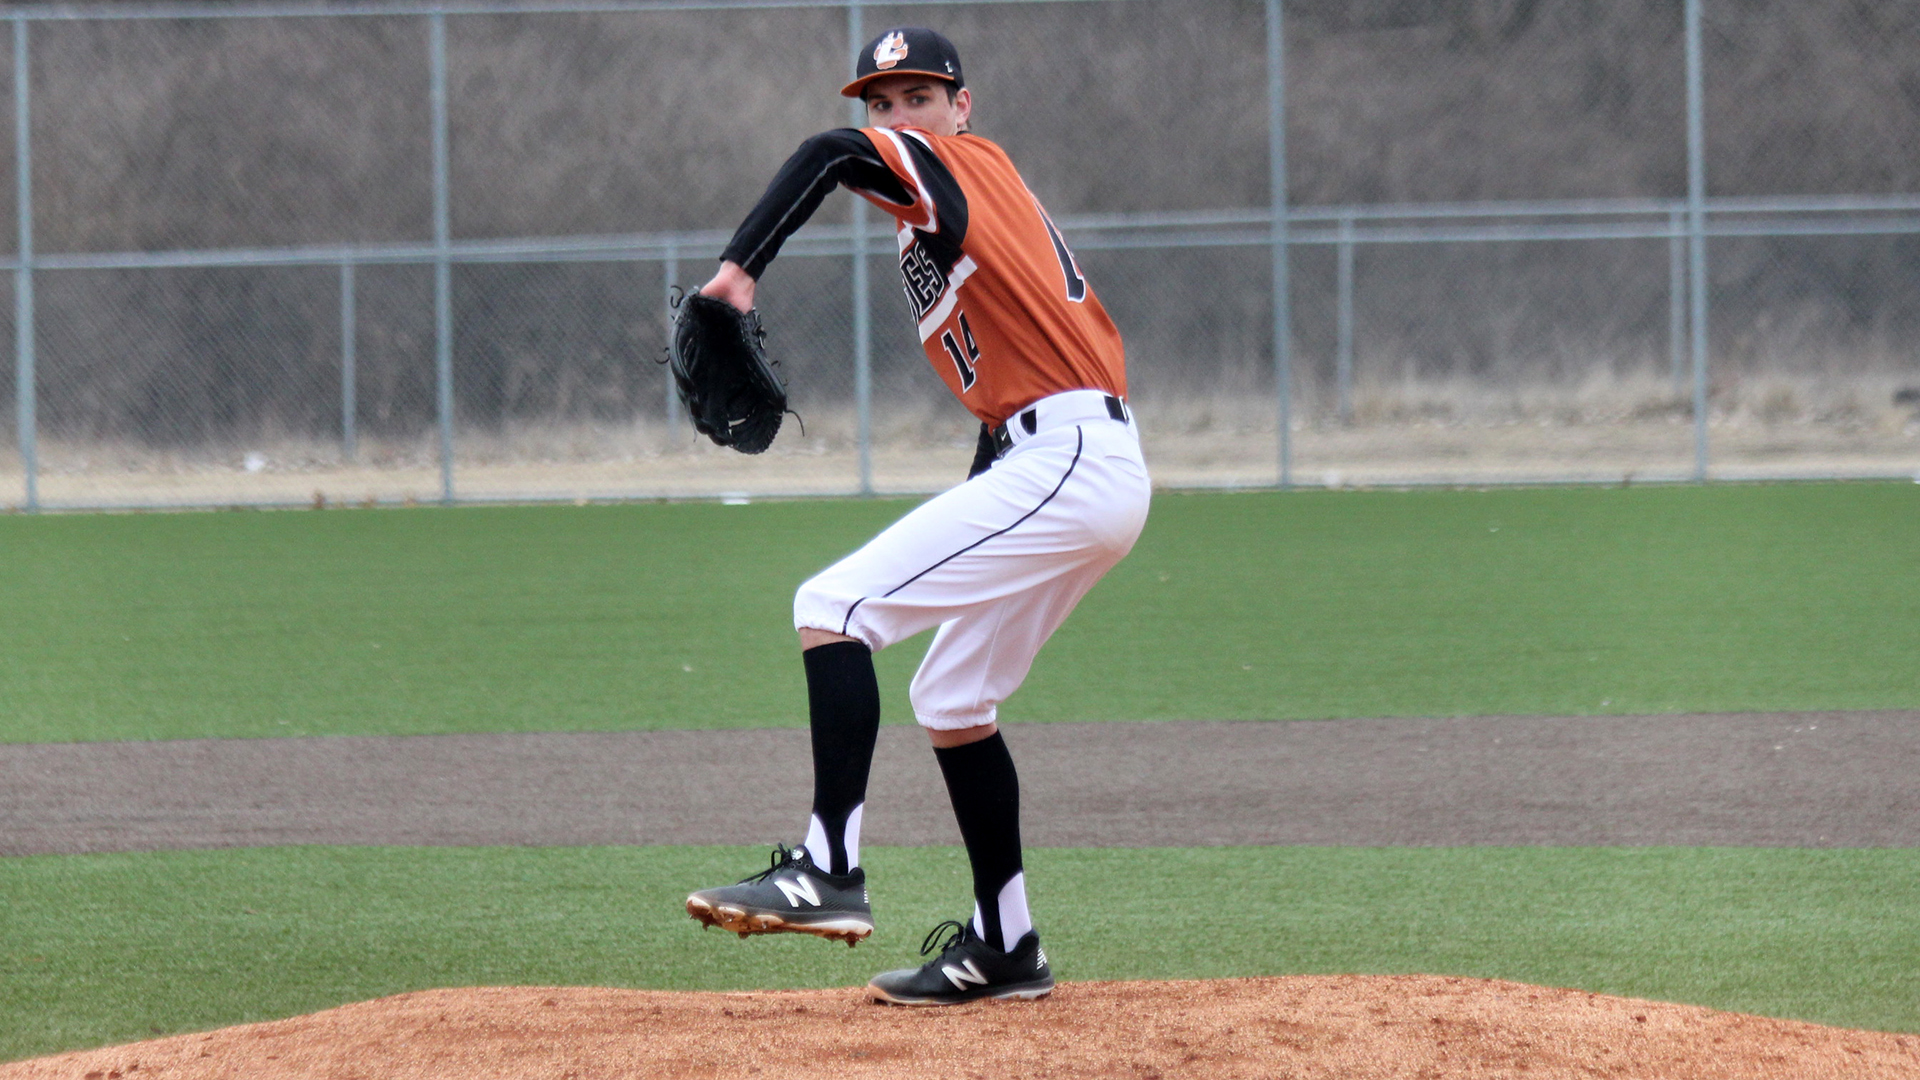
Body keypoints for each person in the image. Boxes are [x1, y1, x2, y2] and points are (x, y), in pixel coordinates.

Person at [684, 26, 1150, 1007]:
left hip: (1070, 455)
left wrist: (735, 277)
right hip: (1065, 459)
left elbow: (825, 154)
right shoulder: (949, 215)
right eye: (882, 104)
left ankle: (826, 868)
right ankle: (1006, 944)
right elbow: (1006, 395)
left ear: (961, 108)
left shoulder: (957, 169)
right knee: (952, 701)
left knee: (834, 605)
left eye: (919, 98)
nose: (898, 119)